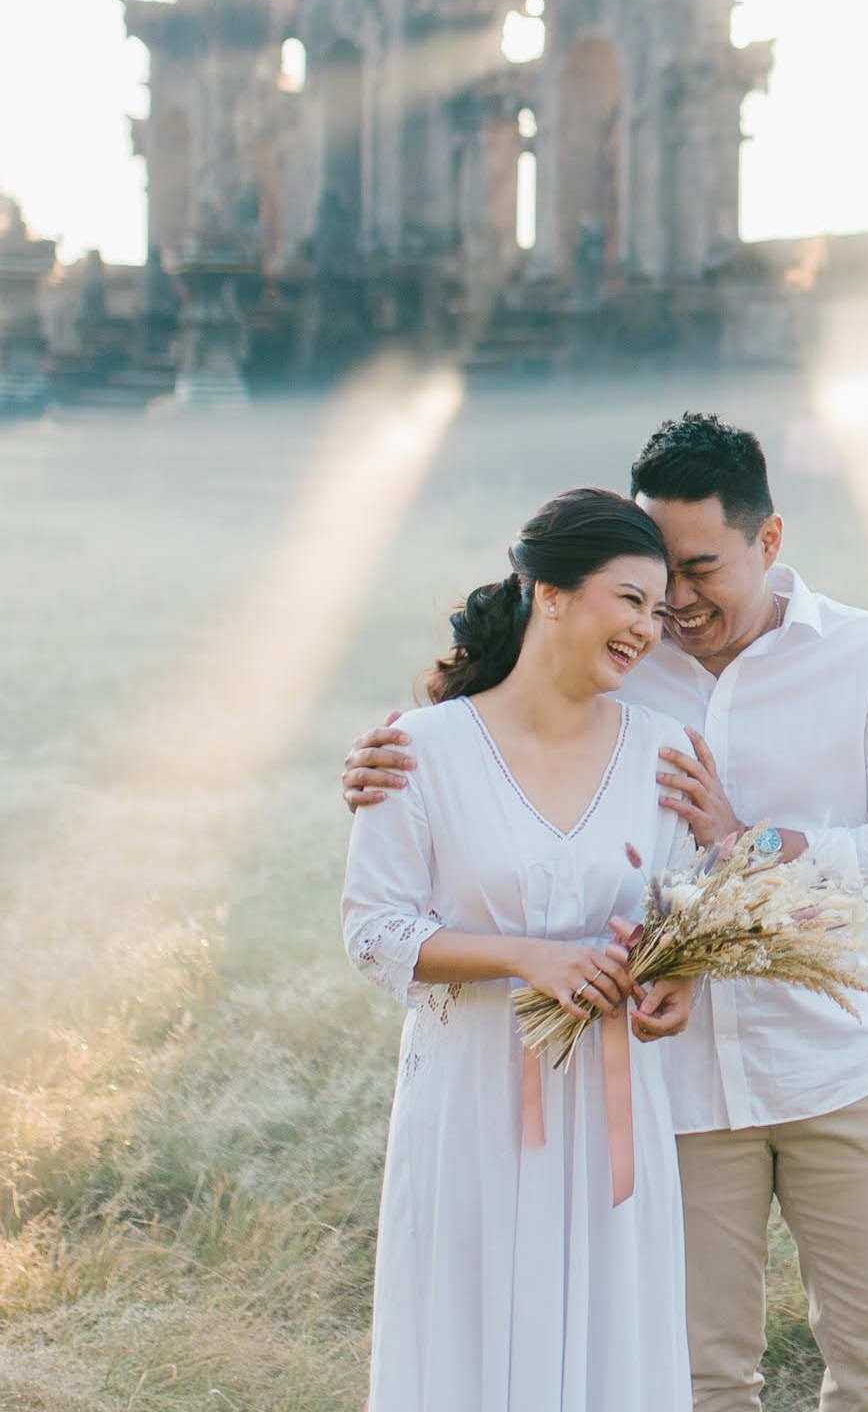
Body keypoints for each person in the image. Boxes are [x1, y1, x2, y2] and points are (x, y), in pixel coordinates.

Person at [345, 415, 868, 1412]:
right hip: (669, 1092)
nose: (672, 603)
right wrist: (399, 758)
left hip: (833, 1060)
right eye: (649, 578)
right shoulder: (627, 660)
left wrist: (751, 839)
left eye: (697, 568)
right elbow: (517, 725)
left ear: (768, 542)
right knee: (696, 1377)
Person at [342, 488, 700, 1412]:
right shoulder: (418, 749)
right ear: (549, 591)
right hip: (474, 1104)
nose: (647, 629)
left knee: (610, 1350)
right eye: (629, 599)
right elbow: (375, 933)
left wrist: (674, 981)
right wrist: (523, 958)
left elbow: (676, 912)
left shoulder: (663, 751)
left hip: (612, 1115)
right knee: (470, 1340)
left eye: (658, 612)